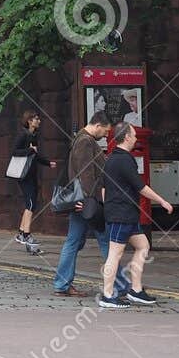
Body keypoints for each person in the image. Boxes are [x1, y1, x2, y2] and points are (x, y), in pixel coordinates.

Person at [99, 121, 174, 309]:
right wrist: (162, 201)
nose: (135, 138)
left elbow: (103, 189)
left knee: (143, 246)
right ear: (126, 137)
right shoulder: (124, 160)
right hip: (120, 214)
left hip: (125, 214)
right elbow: (140, 187)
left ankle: (136, 290)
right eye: (133, 135)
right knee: (114, 254)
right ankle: (107, 295)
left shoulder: (110, 158)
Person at [53, 111, 115, 297]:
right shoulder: (85, 142)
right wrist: (88, 201)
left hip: (84, 202)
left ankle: (62, 284)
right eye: (105, 131)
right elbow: (86, 174)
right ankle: (119, 284)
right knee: (106, 241)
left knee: (74, 242)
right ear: (97, 125)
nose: (106, 135)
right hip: (88, 203)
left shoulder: (82, 140)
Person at [11, 109, 55, 255]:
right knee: (30, 203)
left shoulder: (33, 135)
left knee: (30, 203)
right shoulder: (23, 135)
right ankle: (26, 235)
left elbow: (35, 155)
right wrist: (29, 151)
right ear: (29, 120)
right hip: (23, 175)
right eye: (36, 119)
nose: (39, 121)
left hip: (31, 174)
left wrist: (48, 163)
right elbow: (15, 152)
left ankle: (21, 233)